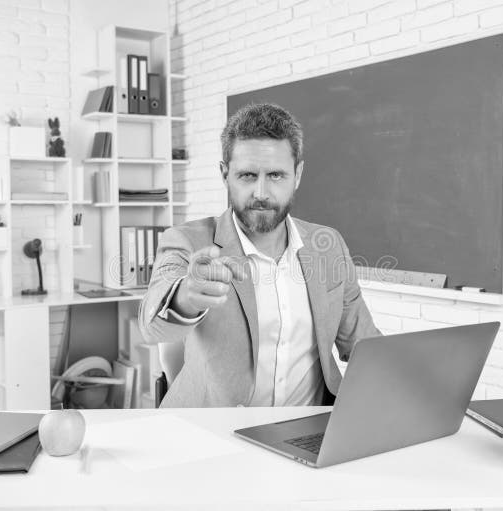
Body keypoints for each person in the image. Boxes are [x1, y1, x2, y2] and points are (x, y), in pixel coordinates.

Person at [139, 103, 380, 407]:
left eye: (276, 175)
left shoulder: (327, 245)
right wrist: (186, 296)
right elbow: (151, 326)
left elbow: (365, 344)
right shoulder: (188, 242)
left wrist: (425, 382)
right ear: (225, 174)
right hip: (215, 433)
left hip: (309, 431)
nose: (262, 193)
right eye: (248, 176)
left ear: (298, 174)